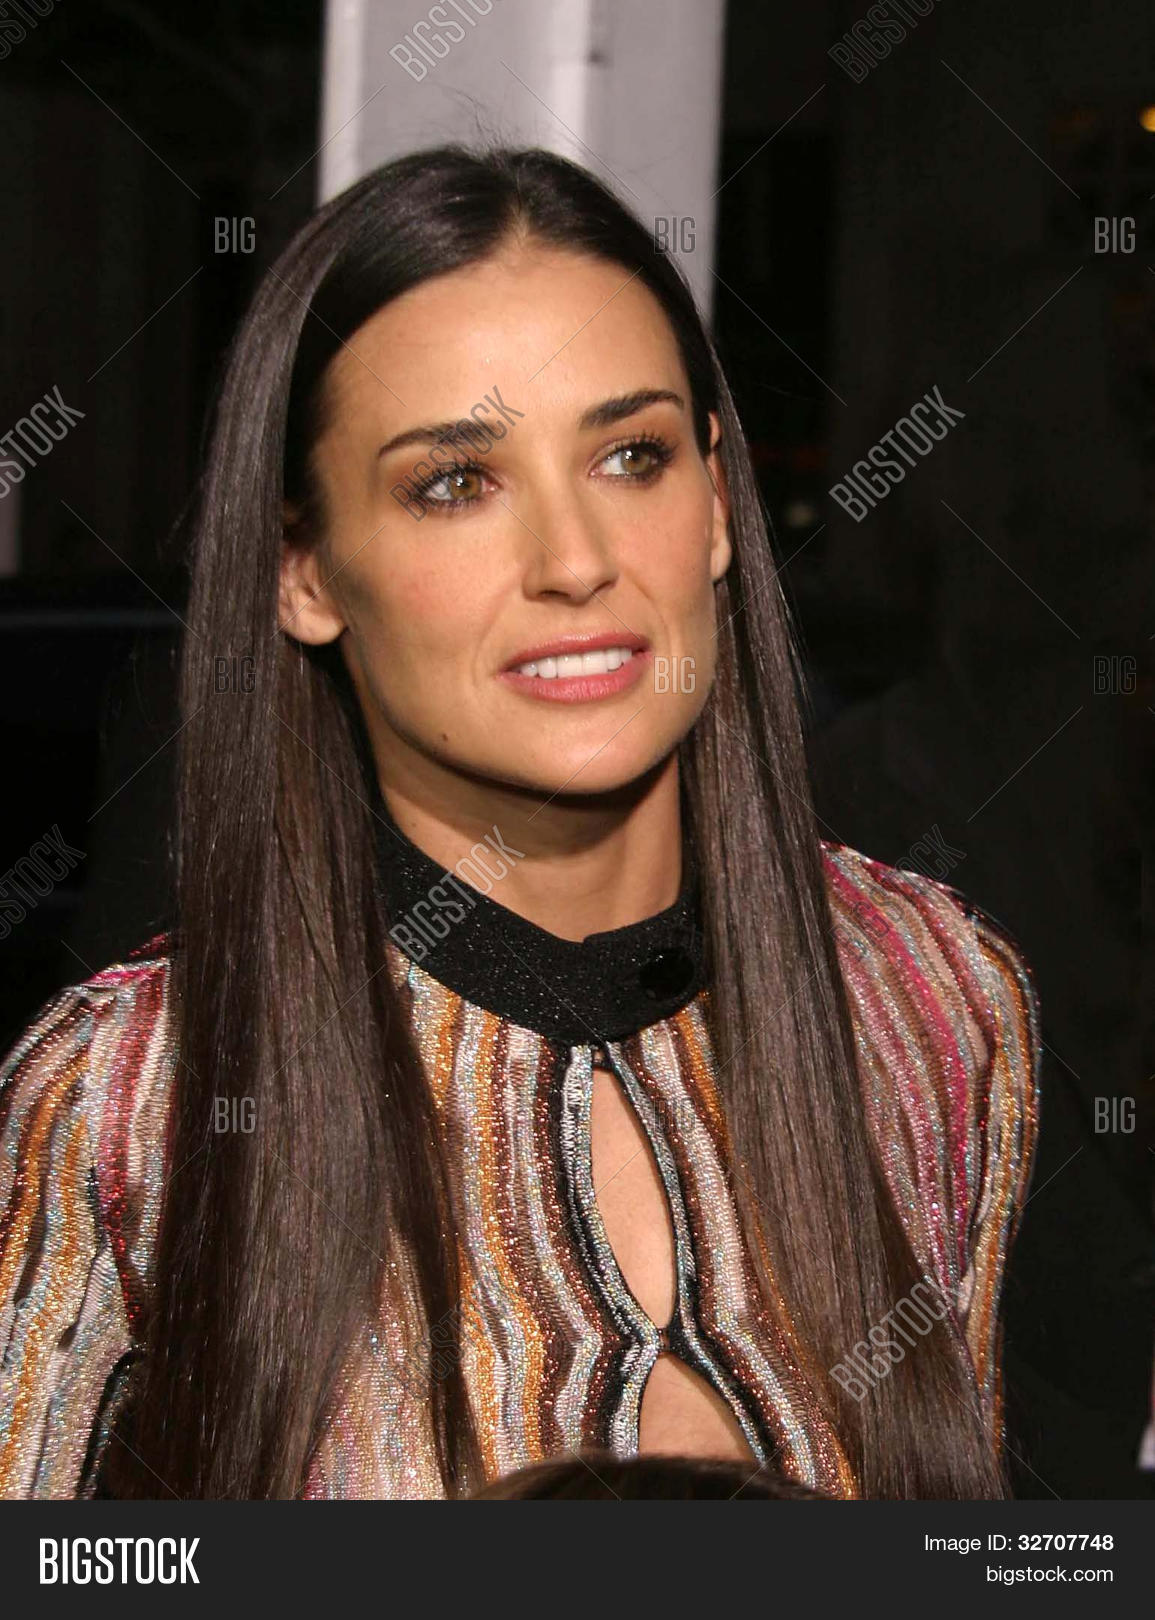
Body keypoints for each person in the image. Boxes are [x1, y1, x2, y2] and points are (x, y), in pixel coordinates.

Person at [0, 144, 1039, 1501]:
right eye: (454, 482)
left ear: (717, 504)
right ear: (302, 570)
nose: (574, 561)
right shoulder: (133, 1106)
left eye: (630, 455)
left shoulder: (932, 1001)